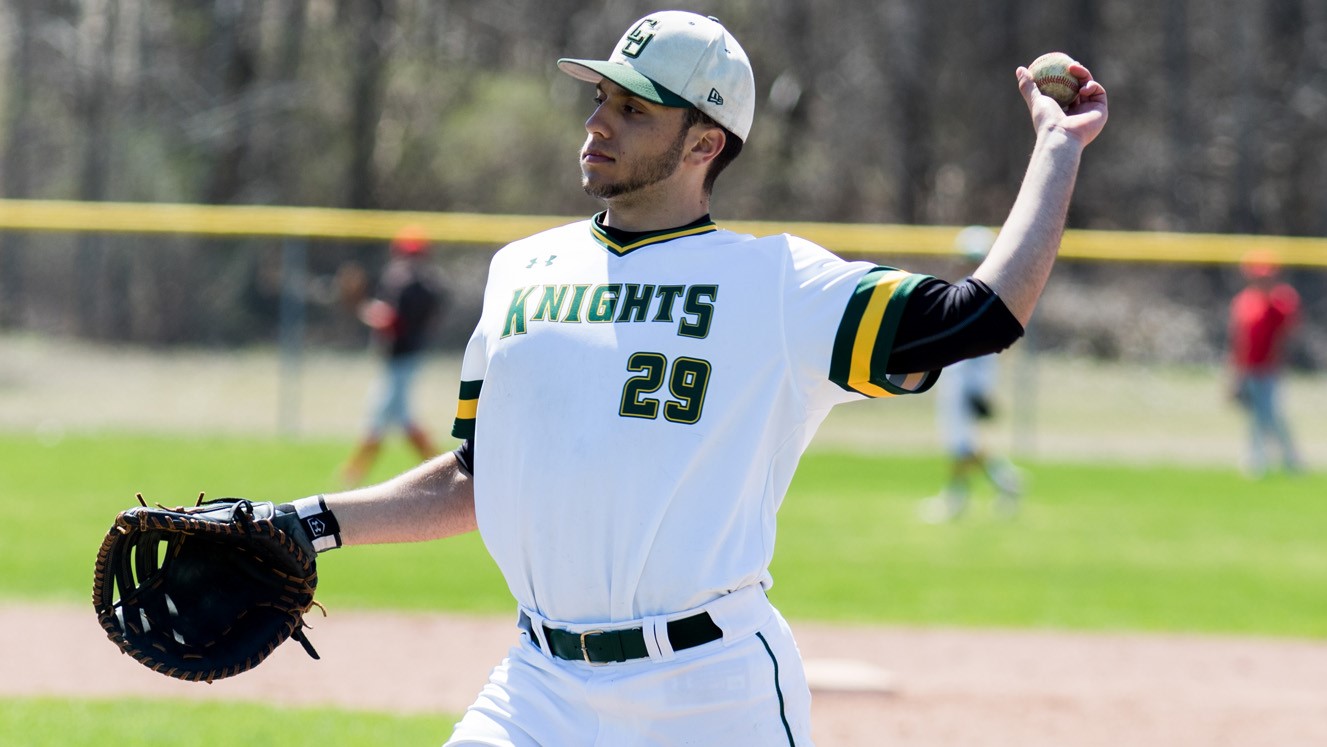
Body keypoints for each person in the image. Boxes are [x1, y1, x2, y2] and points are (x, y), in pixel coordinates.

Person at [278, 12, 1107, 745]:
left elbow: (980, 315)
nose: (598, 121)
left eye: (634, 109)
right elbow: (473, 477)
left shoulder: (778, 287)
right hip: (538, 687)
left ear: (704, 143)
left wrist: (1056, 148)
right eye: (601, 97)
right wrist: (302, 522)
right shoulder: (520, 270)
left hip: (711, 695)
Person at [920, 226, 1023, 523]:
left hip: (966, 381)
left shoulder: (974, 291)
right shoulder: (994, 292)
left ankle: (958, 498)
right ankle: (1004, 482)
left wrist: (977, 389)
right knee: (964, 443)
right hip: (965, 378)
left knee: (960, 442)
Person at [339, 225, 445, 486]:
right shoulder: (428, 283)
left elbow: (389, 321)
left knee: (384, 416)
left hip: (400, 358)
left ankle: (354, 472)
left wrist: (361, 305)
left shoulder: (402, 281)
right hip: (407, 356)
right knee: (396, 417)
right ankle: (355, 471)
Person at [1228, 249, 1303, 478]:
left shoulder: (1282, 301)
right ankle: (1284, 459)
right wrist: (1234, 374)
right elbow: (1238, 339)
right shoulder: (1244, 301)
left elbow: (1288, 335)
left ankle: (1263, 459)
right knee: (1261, 415)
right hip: (1248, 368)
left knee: (1266, 414)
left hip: (1270, 368)